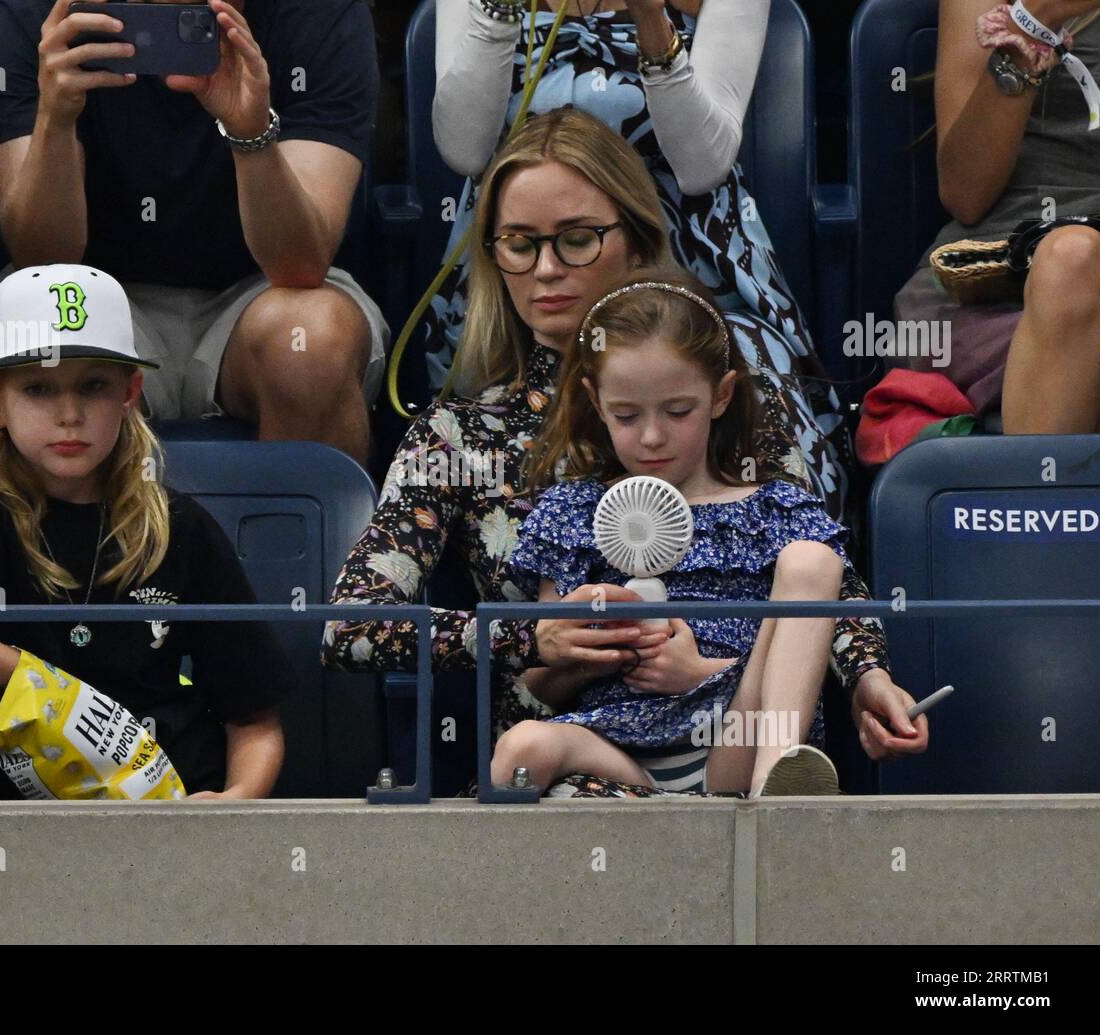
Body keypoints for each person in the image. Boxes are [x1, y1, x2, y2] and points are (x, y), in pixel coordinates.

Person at [322, 109, 927, 798]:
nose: (546, 268)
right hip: (571, 766)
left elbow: (816, 569)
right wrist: (525, 637)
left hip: (736, 741)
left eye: (576, 239)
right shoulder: (456, 435)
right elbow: (352, 626)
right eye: (519, 244)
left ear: (638, 238)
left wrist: (868, 678)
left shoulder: (729, 398)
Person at [0, 265, 291, 799]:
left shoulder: (178, 526)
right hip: (6, 836)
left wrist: (233, 802)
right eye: (38, 388)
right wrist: (36, 683)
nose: (69, 415)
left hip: (166, 818)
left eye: (93, 386)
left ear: (130, 392)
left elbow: (254, 722)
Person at [424, 0, 853, 520]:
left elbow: (702, 164)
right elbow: (464, 149)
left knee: (729, 363)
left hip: (682, 261)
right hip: (525, 257)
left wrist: (651, 18)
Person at [0, 0, 389, 464]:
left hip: (262, 295)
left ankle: (301, 537)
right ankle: (66, 539)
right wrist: (55, 120)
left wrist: (250, 135)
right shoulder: (41, 14)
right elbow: (42, 264)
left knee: (311, 341)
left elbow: (300, 263)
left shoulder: (319, 12)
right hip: (97, 296)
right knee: (44, 329)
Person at [497, 269, 846, 797]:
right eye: (627, 415)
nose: (653, 436)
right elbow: (542, 684)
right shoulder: (572, 513)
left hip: (734, 740)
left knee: (812, 562)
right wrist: (590, 650)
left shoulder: (775, 509)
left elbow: (800, 661)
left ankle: (778, 784)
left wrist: (700, 671)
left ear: (721, 396)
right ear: (596, 403)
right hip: (614, 750)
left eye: (678, 411)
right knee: (522, 746)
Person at [893, 0, 1100, 431]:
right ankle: (1038, 496)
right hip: (1005, 277)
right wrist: (1034, 22)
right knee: (1071, 260)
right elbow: (966, 193)